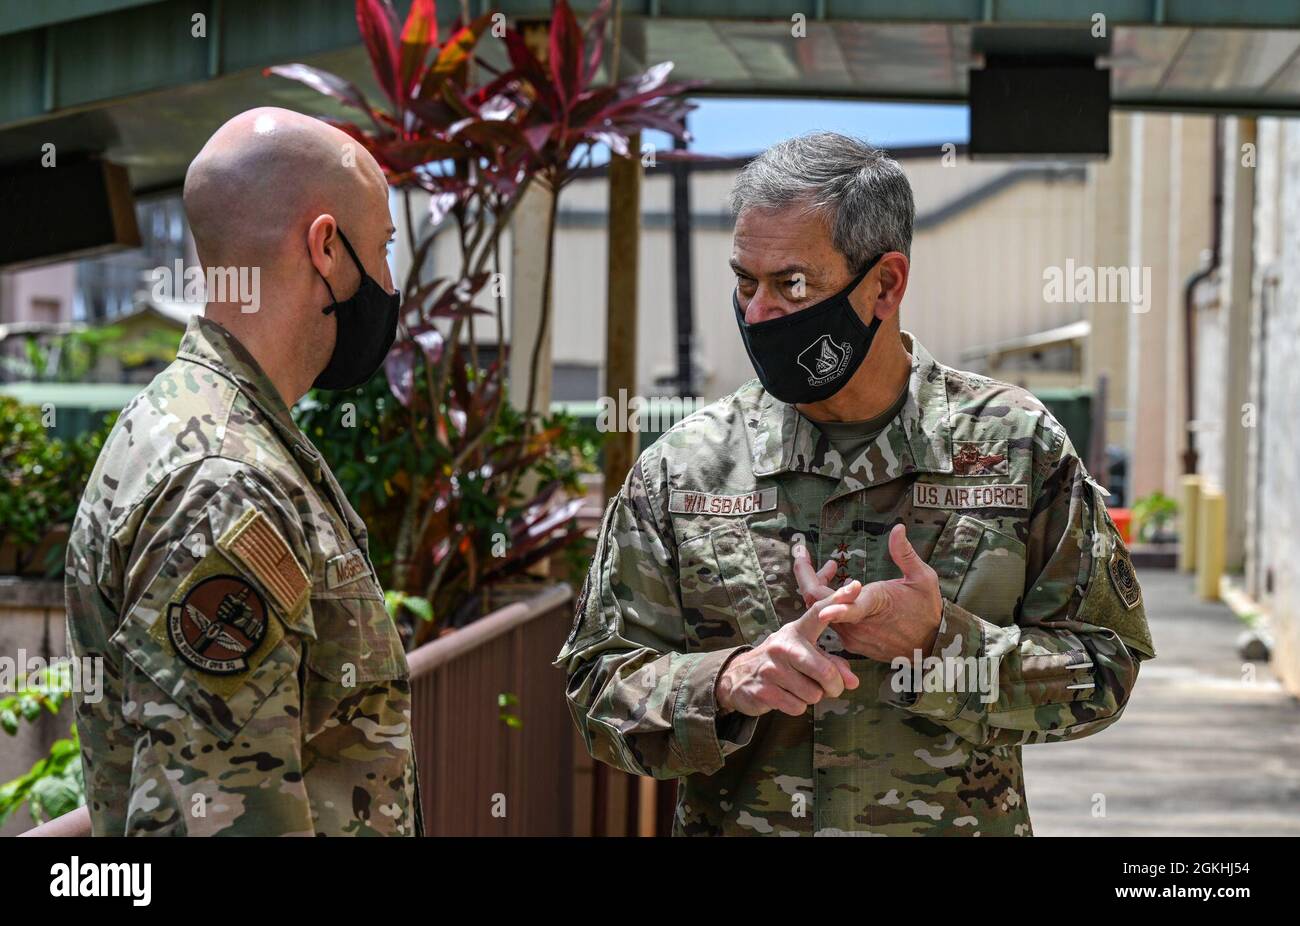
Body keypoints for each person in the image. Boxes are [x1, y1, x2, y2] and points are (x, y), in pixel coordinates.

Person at [556, 132, 1156, 836]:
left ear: (886, 284)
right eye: (745, 282)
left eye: (792, 284)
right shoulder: (682, 469)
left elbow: (1104, 671)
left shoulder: (1015, 447)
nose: (756, 314)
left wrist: (939, 645)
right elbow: (596, 690)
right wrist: (727, 681)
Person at [65, 107, 420, 836]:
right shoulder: (227, 483)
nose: (387, 281)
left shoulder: (192, 420)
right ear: (327, 246)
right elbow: (218, 818)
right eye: (381, 249)